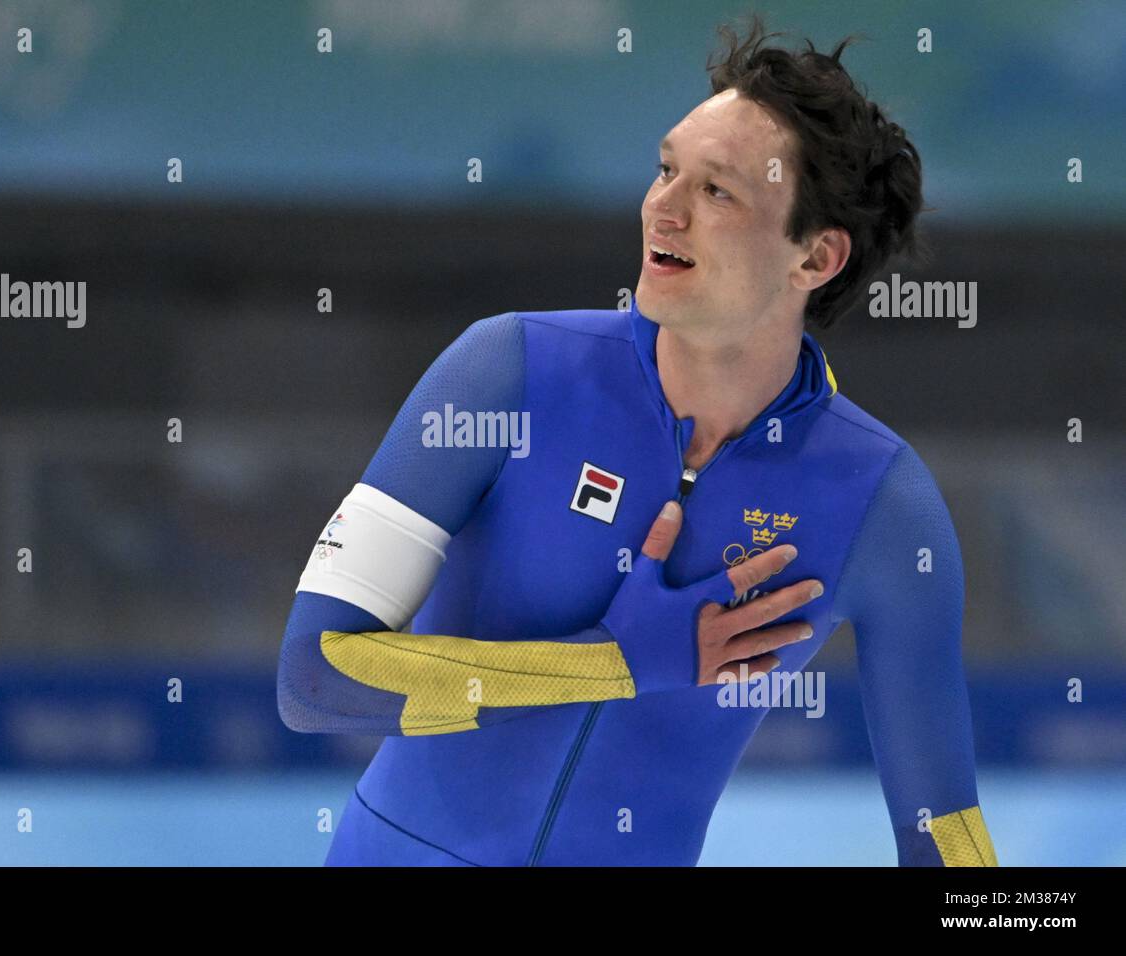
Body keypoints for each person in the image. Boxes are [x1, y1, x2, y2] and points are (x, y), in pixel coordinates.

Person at [277, 15, 998, 867]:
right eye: (666, 170)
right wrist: (611, 665)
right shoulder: (505, 371)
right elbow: (315, 678)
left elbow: (946, 840)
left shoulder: (882, 501)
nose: (664, 206)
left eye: (717, 191)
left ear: (816, 257)